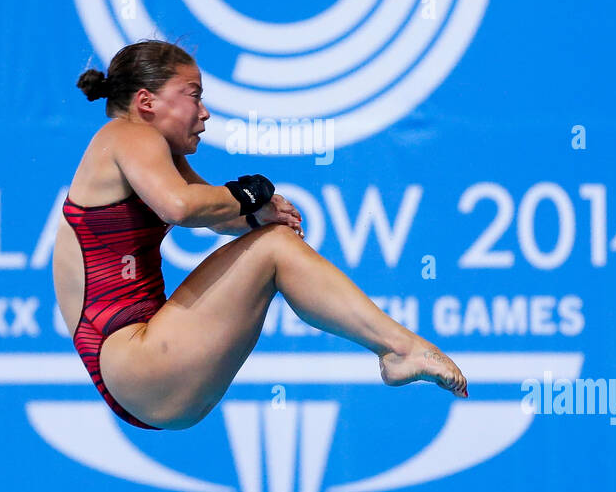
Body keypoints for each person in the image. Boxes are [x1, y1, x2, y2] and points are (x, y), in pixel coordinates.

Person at [53, 38, 468, 430]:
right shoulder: (128, 135)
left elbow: (215, 216)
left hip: (140, 373)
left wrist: (258, 214)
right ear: (146, 102)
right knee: (274, 249)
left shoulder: (149, 148)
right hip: (135, 360)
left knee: (273, 243)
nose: (205, 113)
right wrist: (249, 195)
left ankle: (398, 349)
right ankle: (399, 349)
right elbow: (179, 206)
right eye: (193, 94)